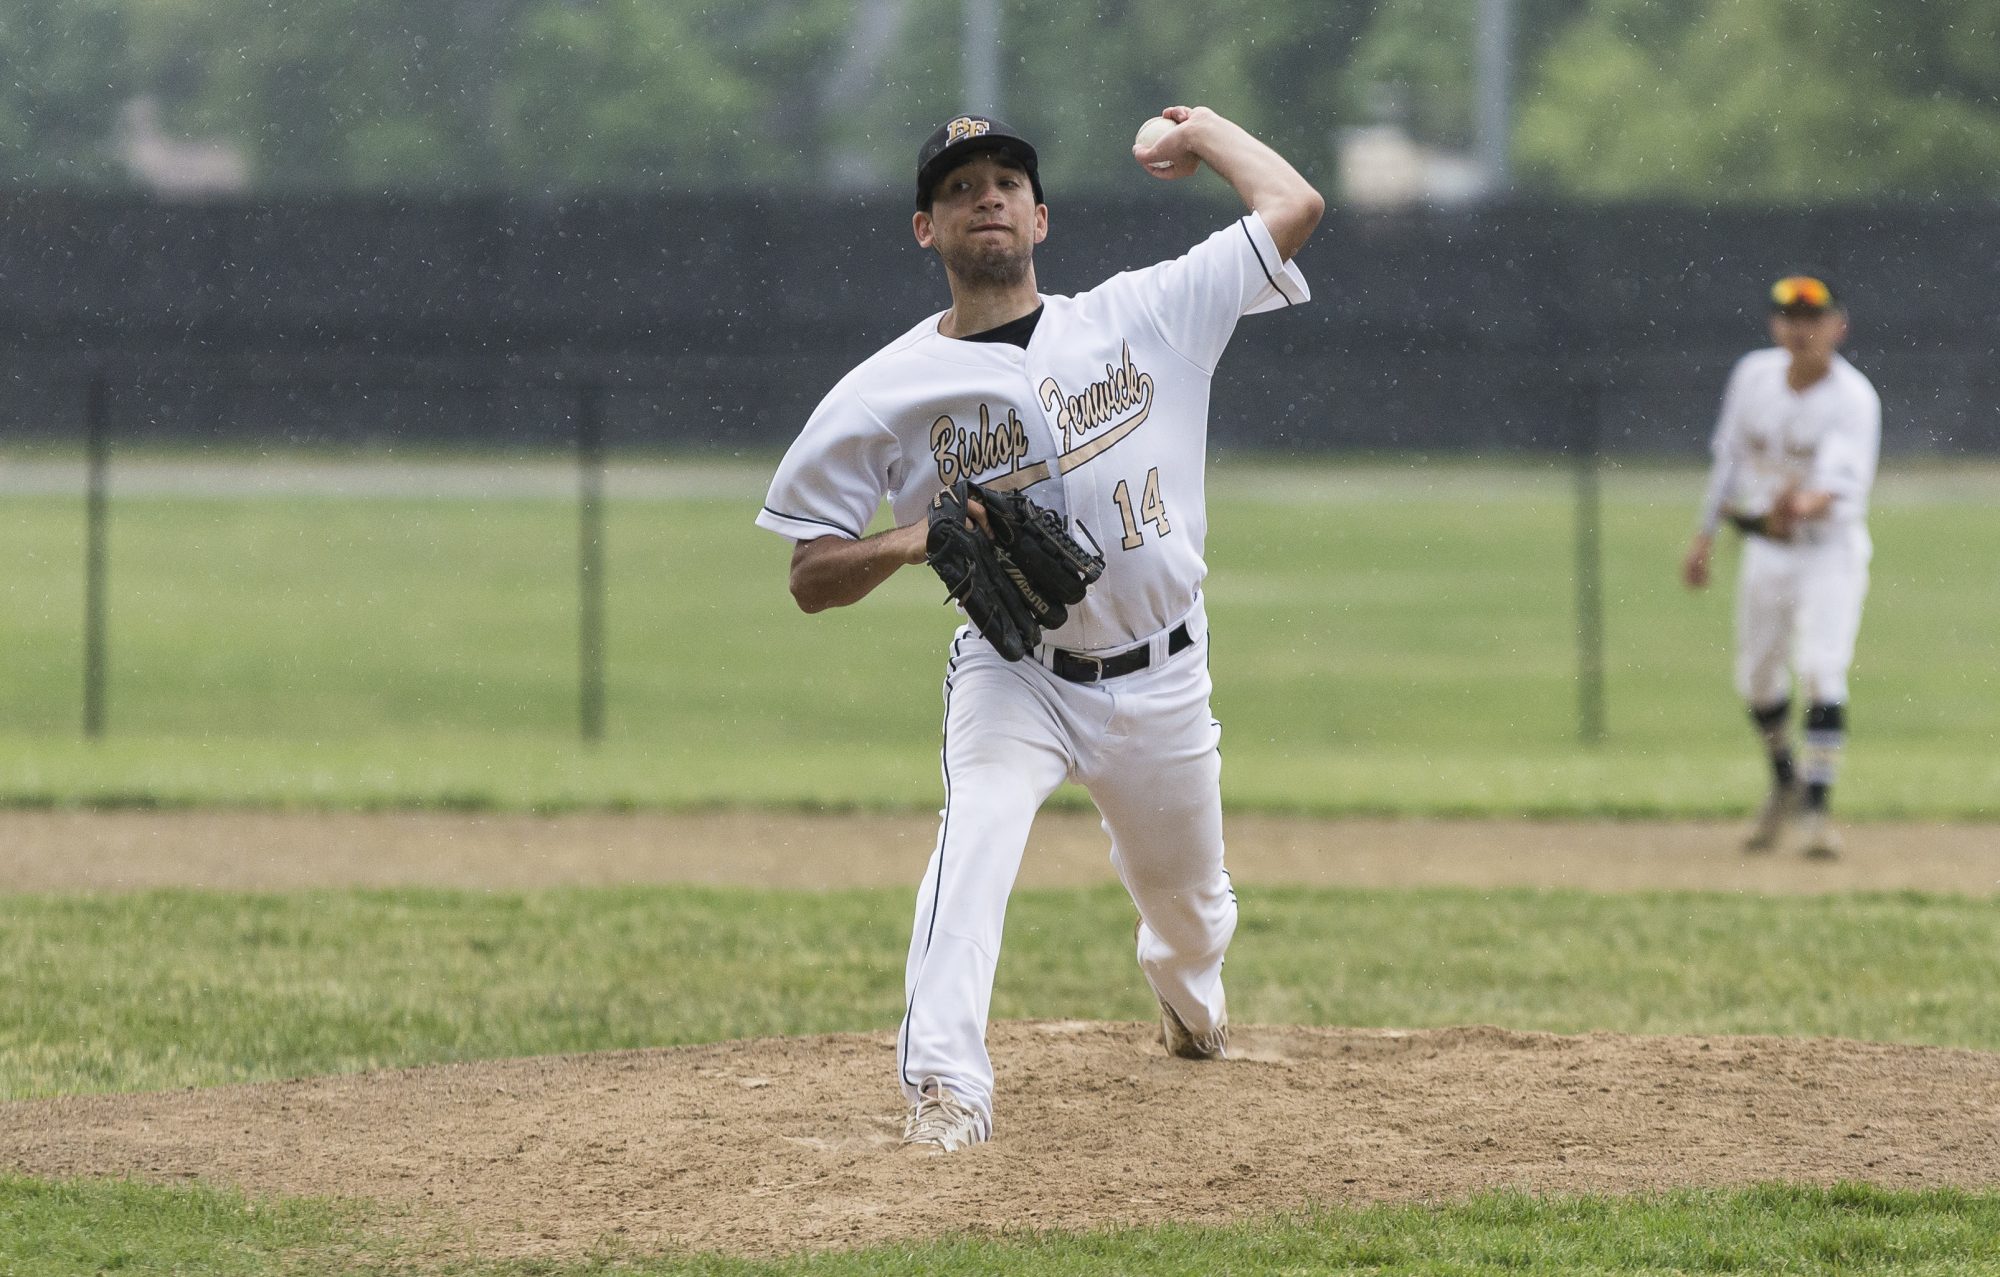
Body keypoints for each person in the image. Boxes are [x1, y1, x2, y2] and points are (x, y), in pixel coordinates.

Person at [754, 108, 1323, 1152]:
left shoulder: (1145, 314)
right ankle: (945, 1087)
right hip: (1016, 670)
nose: (987, 197)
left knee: (1192, 912)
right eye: (959, 186)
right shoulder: (881, 392)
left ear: (1041, 217)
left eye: (1006, 182)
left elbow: (1293, 205)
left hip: (1163, 673)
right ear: (925, 228)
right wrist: (908, 540)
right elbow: (807, 576)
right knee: (972, 840)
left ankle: (1188, 1004)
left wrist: (1202, 131)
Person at [1680, 274, 1881, 860]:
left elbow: (1839, 489)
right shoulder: (1753, 377)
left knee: (1821, 669)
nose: (1801, 329)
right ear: (1775, 325)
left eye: (1813, 318)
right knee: (1757, 680)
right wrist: (1704, 535)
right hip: (1767, 552)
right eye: (1790, 317)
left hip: (1829, 552)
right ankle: (1785, 779)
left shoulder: (1853, 399)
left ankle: (1816, 810)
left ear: (1838, 327)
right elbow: (1729, 459)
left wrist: (1800, 504)